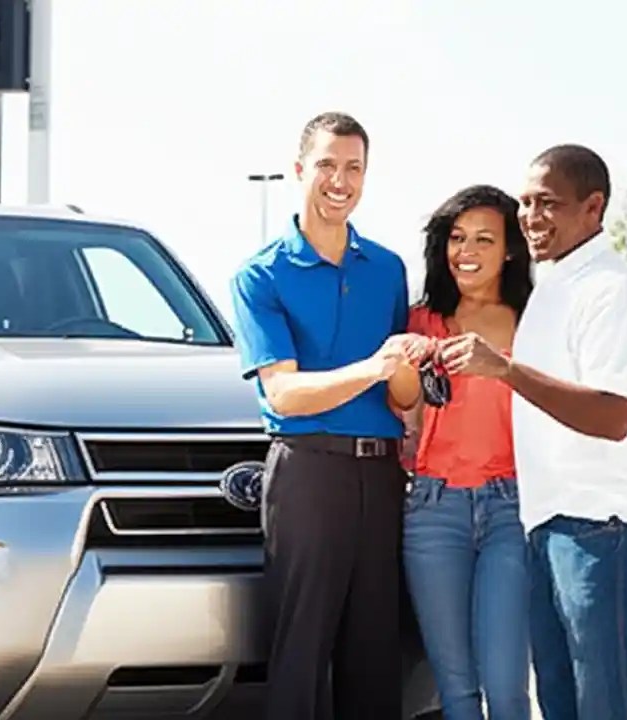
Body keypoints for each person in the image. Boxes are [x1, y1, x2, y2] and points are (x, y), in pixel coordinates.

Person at [439, 144, 627, 720]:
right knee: (563, 705)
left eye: (547, 203)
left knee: (612, 705)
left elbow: (613, 416)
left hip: (606, 529)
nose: (530, 217)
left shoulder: (610, 288)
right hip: (549, 526)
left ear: (593, 207)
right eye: (525, 203)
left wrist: (504, 370)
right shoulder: (554, 285)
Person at [229, 111, 427, 720]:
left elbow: (402, 396)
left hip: (382, 475)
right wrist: (374, 367)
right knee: (302, 652)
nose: (340, 181)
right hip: (308, 472)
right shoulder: (260, 275)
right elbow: (284, 395)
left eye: (354, 168)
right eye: (326, 165)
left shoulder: (388, 270)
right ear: (299, 170)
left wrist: (407, 368)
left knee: (376, 651)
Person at [399, 184, 534, 720]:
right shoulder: (422, 320)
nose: (467, 251)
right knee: (455, 691)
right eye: (457, 238)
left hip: (511, 508)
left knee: (505, 686)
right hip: (434, 511)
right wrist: (407, 359)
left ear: (510, 250)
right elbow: (402, 404)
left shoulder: (532, 319)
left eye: (484, 239)